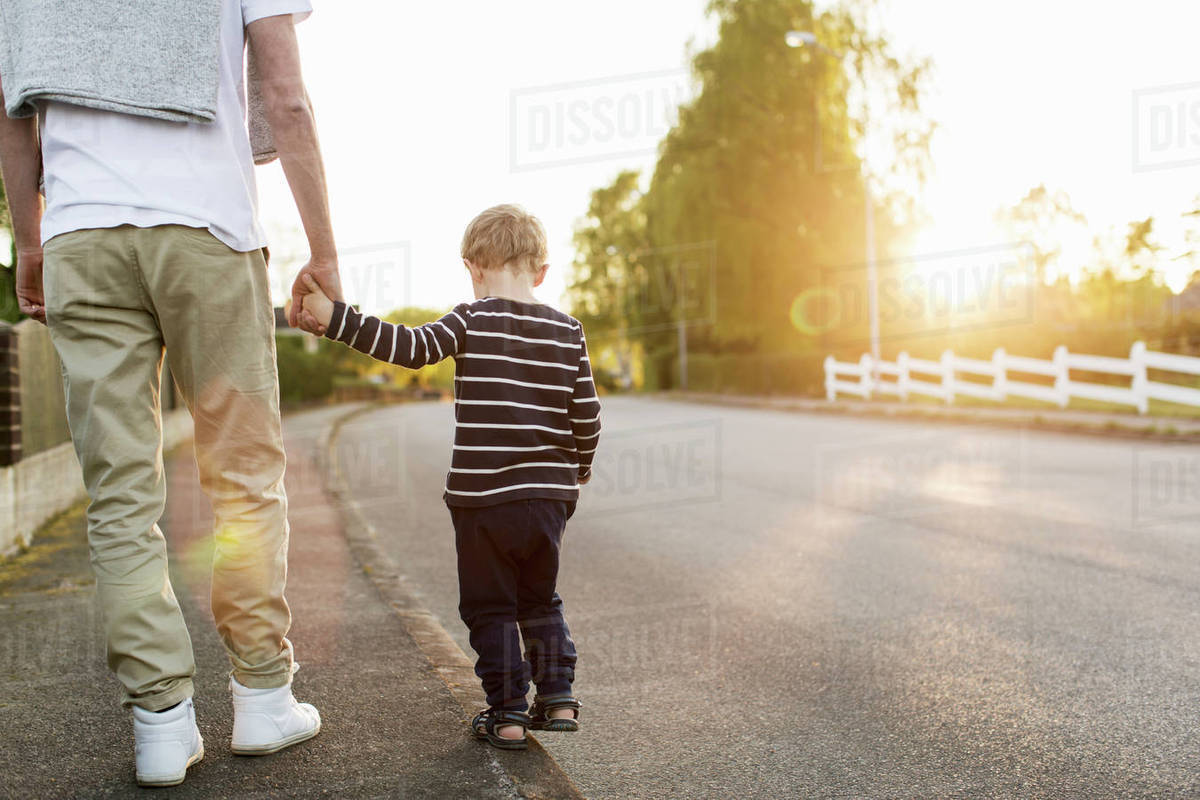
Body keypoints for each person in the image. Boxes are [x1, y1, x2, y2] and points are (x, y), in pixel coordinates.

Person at [0, 0, 340, 787]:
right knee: (245, 478)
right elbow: (287, 99)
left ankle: (159, 723)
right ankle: (262, 696)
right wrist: (323, 252)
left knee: (119, 492)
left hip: (81, 237)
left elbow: (13, 111)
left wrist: (29, 240)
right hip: (207, 232)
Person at [295, 204, 599, 749]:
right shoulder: (568, 331)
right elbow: (586, 415)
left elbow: (407, 348)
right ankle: (557, 697)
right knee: (540, 599)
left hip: (484, 501)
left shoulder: (470, 318)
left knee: (490, 605)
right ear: (542, 271)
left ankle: (507, 712)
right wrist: (578, 470)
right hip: (550, 499)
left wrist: (337, 317)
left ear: (473, 267)